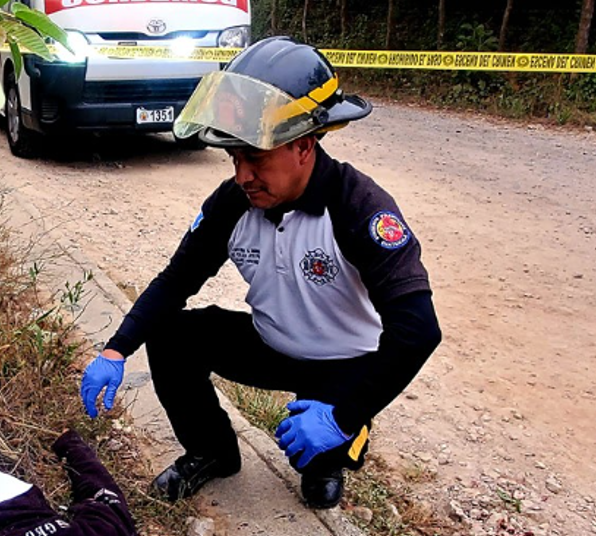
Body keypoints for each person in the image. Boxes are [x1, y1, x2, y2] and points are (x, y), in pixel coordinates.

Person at [78, 37, 442, 509]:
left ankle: (334, 451)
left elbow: (418, 330)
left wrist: (345, 416)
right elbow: (176, 281)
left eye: (256, 158)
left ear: (305, 145)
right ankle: (211, 451)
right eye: (235, 158)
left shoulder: (359, 207)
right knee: (170, 334)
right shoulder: (234, 203)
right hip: (272, 343)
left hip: (343, 360)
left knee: (318, 474)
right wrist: (116, 348)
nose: (243, 175)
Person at [0, 430, 137, 536]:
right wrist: (71, 446)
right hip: (13, 506)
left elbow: (108, 503)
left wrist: (71, 445)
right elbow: (107, 501)